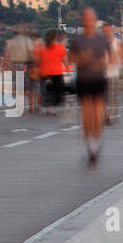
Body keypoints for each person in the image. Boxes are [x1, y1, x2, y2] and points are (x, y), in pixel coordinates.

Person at [70, 9, 111, 166]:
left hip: (99, 78)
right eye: (86, 19)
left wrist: (99, 62)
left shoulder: (102, 40)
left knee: (98, 114)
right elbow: (70, 60)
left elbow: (111, 59)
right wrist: (82, 58)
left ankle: (96, 142)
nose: (89, 22)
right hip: (83, 79)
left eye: (91, 19)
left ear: (95, 21)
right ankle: (91, 146)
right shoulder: (77, 41)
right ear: (83, 21)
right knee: (87, 114)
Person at [38, 29, 67, 112]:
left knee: (46, 90)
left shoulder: (42, 47)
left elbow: (38, 59)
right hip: (57, 72)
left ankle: (47, 107)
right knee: (57, 91)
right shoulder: (60, 47)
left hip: (45, 72)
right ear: (55, 37)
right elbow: (64, 60)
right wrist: (67, 67)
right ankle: (54, 107)